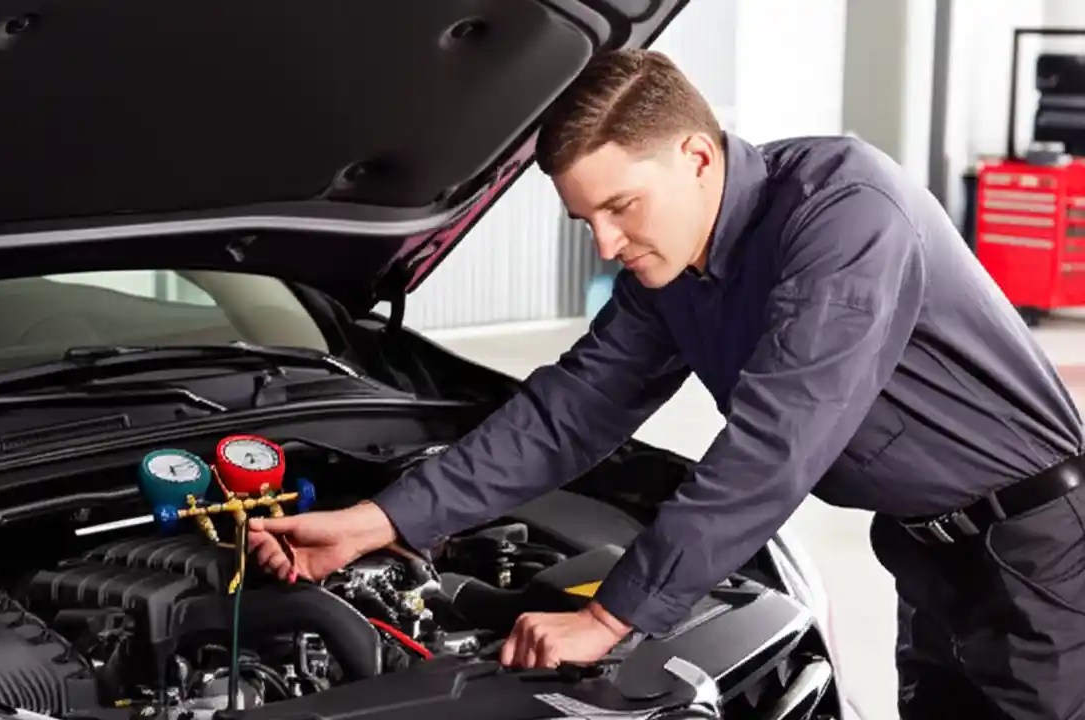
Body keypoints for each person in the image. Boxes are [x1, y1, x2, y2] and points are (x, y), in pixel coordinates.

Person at [248, 48, 1085, 719]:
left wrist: (612, 617)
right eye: (587, 222)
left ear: (694, 155)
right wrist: (380, 520)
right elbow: (567, 414)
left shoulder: (843, 212)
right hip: (924, 552)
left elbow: (775, 443)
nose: (606, 246)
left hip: (1042, 549)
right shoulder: (671, 267)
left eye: (622, 207)